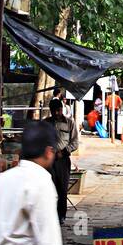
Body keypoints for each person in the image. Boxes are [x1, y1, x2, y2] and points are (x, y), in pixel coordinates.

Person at [44, 96, 78, 225]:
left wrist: (63, 152)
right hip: (48, 160)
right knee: (49, 188)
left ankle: (61, 215)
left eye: (58, 110)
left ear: (61, 109)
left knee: (62, 189)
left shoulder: (70, 123)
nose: (56, 113)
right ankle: (50, 215)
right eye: (54, 111)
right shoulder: (46, 123)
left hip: (63, 160)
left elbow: (75, 143)